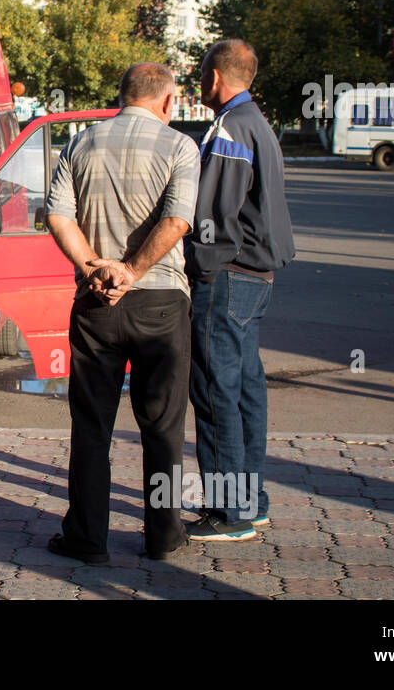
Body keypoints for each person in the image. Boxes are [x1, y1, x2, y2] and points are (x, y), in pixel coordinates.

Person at [44, 62, 200, 563]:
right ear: (169, 101)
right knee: (162, 426)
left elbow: (57, 214)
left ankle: (87, 539)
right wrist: (130, 270)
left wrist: (94, 267)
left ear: (122, 95)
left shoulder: (80, 143)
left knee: (92, 426)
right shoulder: (180, 147)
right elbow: (178, 220)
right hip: (161, 302)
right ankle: (163, 534)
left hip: (95, 305)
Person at [184, 39, 295, 542]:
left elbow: (214, 213)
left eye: (202, 73)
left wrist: (201, 266)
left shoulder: (230, 126)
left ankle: (230, 513)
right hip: (258, 274)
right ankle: (252, 502)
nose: (198, 80)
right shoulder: (258, 124)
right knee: (247, 387)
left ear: (215, 77)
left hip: (227, 275)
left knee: (215, 390)